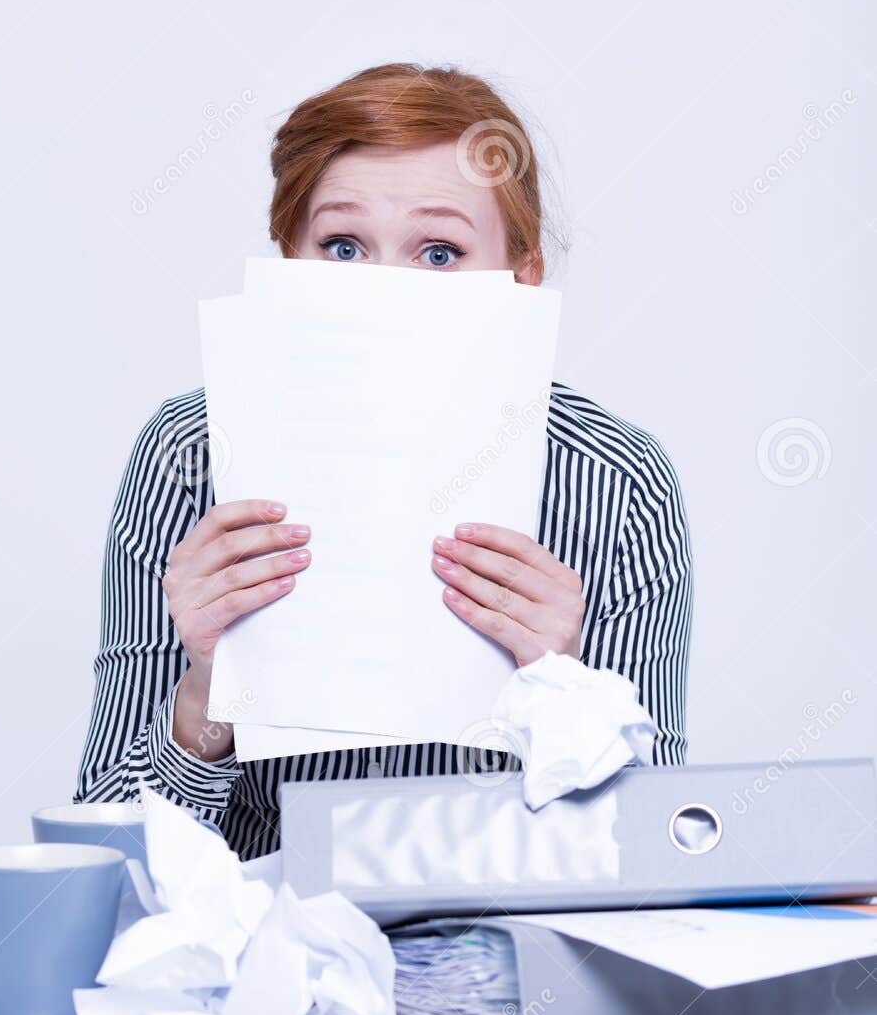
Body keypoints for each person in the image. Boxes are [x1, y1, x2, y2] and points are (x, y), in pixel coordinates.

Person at [76, 63, 693, 857]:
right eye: (341, 247)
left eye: (438, 254)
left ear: (522, 282)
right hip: (264, 964)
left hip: (508, 961)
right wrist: (205, 702)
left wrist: (563, 691)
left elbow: (661, 861)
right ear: (286, 263)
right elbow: (95, 869)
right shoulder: (188, 455)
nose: (385, 295)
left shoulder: (618, 479)